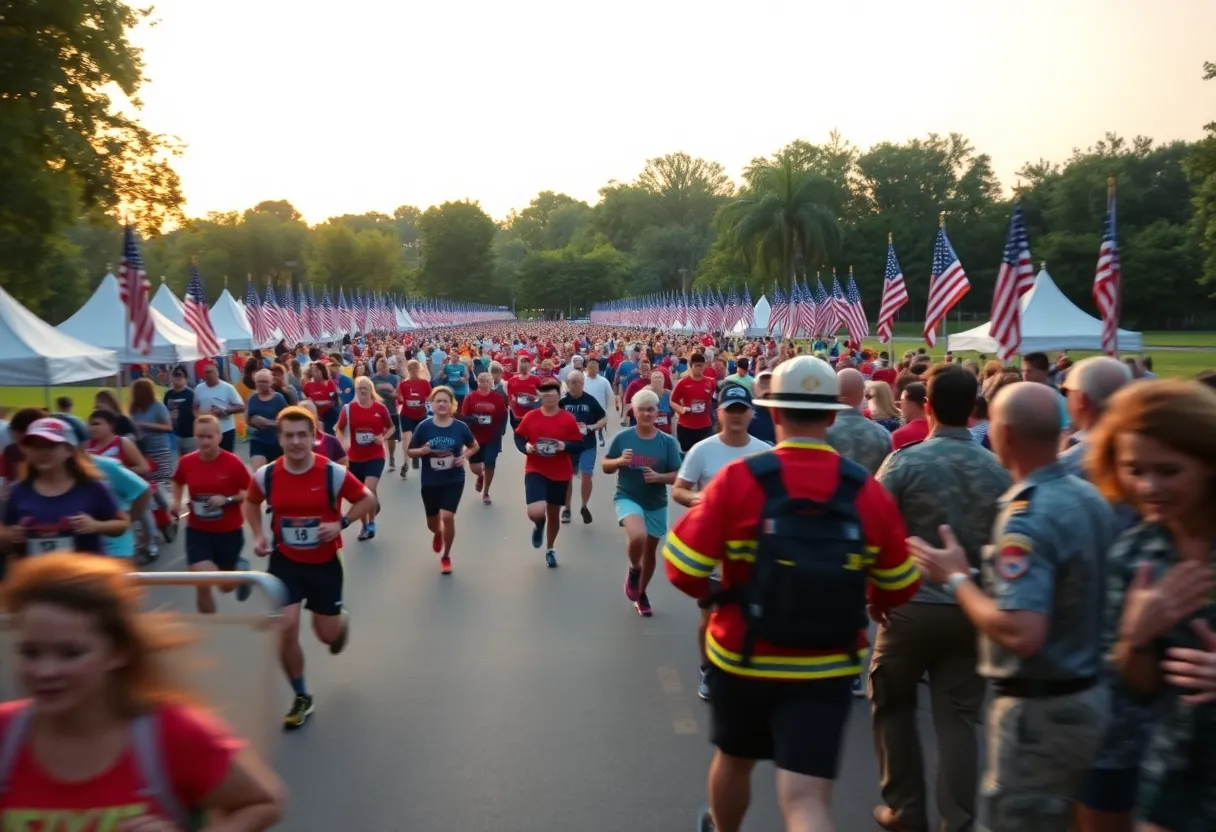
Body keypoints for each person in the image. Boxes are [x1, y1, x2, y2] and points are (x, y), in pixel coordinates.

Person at [665, 356, 921, 832]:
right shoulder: (864, 489)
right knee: (805, 797)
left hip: (744, 654)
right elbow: (901, 585)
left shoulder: (739, 481)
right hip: (827, 662)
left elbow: (681, 569)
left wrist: (722, 599)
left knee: (735, 760)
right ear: (831, 415)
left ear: (775, 414)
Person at [909, 381, 1113, 832]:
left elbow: (1022, 632)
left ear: (1004, 433)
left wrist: (958, 579)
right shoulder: (1090, 497)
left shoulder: (1027, 517)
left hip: (1040, 713)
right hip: (1092, 698)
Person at [0, 553, 285, 828]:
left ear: (118, 651)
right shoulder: (5, 732)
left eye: (71, 653)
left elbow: (262, 802)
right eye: (30, 652)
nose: (45, 671)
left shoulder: (170, 733)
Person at [870, 364, 1013, 832]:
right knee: (959, 720)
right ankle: (959, 818)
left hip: (909, 605)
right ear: (974, 410)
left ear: (927, 407)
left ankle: (904, 808)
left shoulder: (905, 461)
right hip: (971, 604)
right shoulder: (997, 469)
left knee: (893, 704)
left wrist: (874, 594)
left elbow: (877, 532)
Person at [1089, 380, 1216, 832]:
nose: (1149, 487)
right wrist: (1135, 638)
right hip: (1173, 782)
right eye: (1134, 470)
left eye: (1168, 470)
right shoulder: (1134, 553)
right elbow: (1139, 689)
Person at [243, 406, 376, 729]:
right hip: (285, 562)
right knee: (285, 628)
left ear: (315, 437)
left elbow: (367, 499)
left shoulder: (331, 472)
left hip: (325, 563)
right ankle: (301, 695)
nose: (296, 441)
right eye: (289, 435)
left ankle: (337, 620)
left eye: (303, 434)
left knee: (327, 636)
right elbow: (250, 502)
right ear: (280, 438)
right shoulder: (268, 475)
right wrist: (259, 535)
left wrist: (341, 523)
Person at [672, 383, 771, 700]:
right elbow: (679, 489)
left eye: (742, 410)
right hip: (713, 554)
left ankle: (748, 668)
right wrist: (698, 499)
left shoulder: (765, 453)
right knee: (709, 616)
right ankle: (708, 670)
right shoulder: (704, 450)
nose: (737, 416)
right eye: (731, 411)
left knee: (753, 615)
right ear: (719, 414)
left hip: (755, 555)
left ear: (752, 413)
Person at [1, 418, 128, 559]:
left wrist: (96, 525)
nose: (42, 452)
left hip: (82, 576)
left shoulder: (93, 487)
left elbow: (122, 524)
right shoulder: (17, 491)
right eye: (35, 447)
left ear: (69, 450)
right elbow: (4, 535)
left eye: (50, 446)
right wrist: (11, 535)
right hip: (36, 578)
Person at [170, 414, 253, 614]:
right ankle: (209, 627)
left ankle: (240, 572)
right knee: (202, 582)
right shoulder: (187, 462)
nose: (204, 441)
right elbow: (178, 480)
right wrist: (175, 501)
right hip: (198, 531)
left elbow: (251, 492)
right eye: (200, 437)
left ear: (219, 437)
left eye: (209, 436)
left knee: (225, 586)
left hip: (228, 531)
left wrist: (228, 500)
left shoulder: (232, 463)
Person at [514, 378, 584, 568]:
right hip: (536, 468)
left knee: (554, 514)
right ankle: (538, 524)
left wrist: (564, 446)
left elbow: (578, 444)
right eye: (544, 395)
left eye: (552, 395)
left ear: (559, 396)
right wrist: (526, 447)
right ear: (540, 397)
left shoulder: (567, 419)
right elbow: (519, 436)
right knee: (535, 511)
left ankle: (550, 549)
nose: (548, 398)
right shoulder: (531, 416)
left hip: (560, 472)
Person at [409, 387, 478, 575]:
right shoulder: (424, 427)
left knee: (447, 516)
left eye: (445, 401)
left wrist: (464, 456)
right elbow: (410, 451)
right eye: (438, 401)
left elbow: (474, 446)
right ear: (432, 404)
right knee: (433, 524)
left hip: (454, 478)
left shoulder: (460, 427)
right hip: (430, 481)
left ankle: (446, 556)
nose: (441, 404)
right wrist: (421, 452)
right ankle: (438, 533)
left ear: (451, 404)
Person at [335, 377, 394, 541]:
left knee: (368, 488)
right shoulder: (348, 409)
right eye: (359, 388)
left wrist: (382, 437)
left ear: (371, 390)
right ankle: (364, 524)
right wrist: (341, 445)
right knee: (361, 495)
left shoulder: (379, 408)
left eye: (365, 388)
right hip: (354, 457)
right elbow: (339, 429)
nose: (362, 390)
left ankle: (372, 523)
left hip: (375, 455)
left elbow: (391, 427)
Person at [559, 370, 607, 525]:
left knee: (586, 474)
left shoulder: (590, 401)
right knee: (567, 477)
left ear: (583, 383)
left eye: (579, 382)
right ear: (568, 383)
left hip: (587, 444)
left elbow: (603, 418)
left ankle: (584, 506)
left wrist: (592, 426)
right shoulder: (563, 403)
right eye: (572, 382)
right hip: (568, 445)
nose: (575, 385)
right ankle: (566, 509)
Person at [825, 368, 892, 476]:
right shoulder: (883, 435)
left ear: (834, 393)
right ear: (863, 394)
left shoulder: (821, 432)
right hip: (869, 490)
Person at [461, 372, 509, 506]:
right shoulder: (470, 397)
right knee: (475, 467)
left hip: (492, 437)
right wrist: (475, 420)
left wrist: (500, 431)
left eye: (488, 381)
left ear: (492, 383)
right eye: (482, 381)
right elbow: (464, 416)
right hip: (475, 437)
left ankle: (486, 492)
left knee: (490, 462)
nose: (485, 384)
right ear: (478, 383)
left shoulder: (497, 397)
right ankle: (480, 476)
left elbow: (504, 415)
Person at [671, 353, 718, 454]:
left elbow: (716, 399)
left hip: (705, 427)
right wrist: (681, 409)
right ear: (691, 366)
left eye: (701, 365)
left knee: (704, 454)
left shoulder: (711, 382)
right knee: (687, 455)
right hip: (686, 427)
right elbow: (672, 400)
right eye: (696, 365)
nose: (699, 368)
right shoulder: (683, 383)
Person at [192, 362, 245, 452]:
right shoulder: (199, 388)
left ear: (217, 372)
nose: (208, 374)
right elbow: (195, 407)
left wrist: (225, 411)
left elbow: (242, 407)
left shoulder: (228, 388)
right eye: (205, 372)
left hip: (226, 430)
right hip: (207, 431)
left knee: (226, 459)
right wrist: (199, 417)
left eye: (210, 372)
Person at [246, 369, 288, 472]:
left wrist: (268, 422)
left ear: (271, 383)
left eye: (265, 381)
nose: (261, 384)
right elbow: (247, 419)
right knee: (259, 471)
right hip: (257, 439)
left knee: (275, 472)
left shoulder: (278, 398)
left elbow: (286, 421)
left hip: (275, 441)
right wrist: (253, 422)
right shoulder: (252, 398)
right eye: (259, 381)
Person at [396, 359, 433, 478]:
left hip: (420, 414)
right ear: (408, 370)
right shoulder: (404, 383)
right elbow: (398, 394)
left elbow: (430, 396)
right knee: (406, 438)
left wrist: (423, 401)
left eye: (415, 369)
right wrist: (403, 399)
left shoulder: (424, 383)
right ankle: (406, 463)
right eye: (410, 369)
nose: (413, 371)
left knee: (421, 439)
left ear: (419, 370)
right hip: (406, 414)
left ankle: (418, 458)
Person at [371, 357, 403, 472]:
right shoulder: (373, 379)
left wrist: (382, 390)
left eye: (385, 363)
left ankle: (392, 457)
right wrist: (387, 388)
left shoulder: (394, 378)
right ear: (377, 365)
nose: (383, 364)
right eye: (380, 362)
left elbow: (397, 395)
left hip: (391, 410)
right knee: (376, 437)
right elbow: (372, 393)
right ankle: (377, 458)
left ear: (388, 365)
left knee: (391, 438)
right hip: (376, 412)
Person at [163, 368, 197, 454]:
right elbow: (165, 411)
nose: (178, 377)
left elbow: (197, 413)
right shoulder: (168, 394)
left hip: (190, 434)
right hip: (174, 434)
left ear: (186, 378)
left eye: (180, 375)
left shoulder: (191, 394)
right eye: (175, 375)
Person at [582, 358, 613, 448]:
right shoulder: (582, 380)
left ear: (598, 369)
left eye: (595, 367)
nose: (593, 369)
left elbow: (610, 395)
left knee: (599, 425)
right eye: (591, 367)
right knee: (587, 427)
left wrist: (609, 410)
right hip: (586, 409)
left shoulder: (603, 381)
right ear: (587, 368)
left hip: (600, 408)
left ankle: (600, 436)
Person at [891, 382, 929, 450]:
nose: (900, 404)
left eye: (902, 400)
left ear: (912, 403)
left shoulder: (899, 435)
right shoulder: (941, 430)